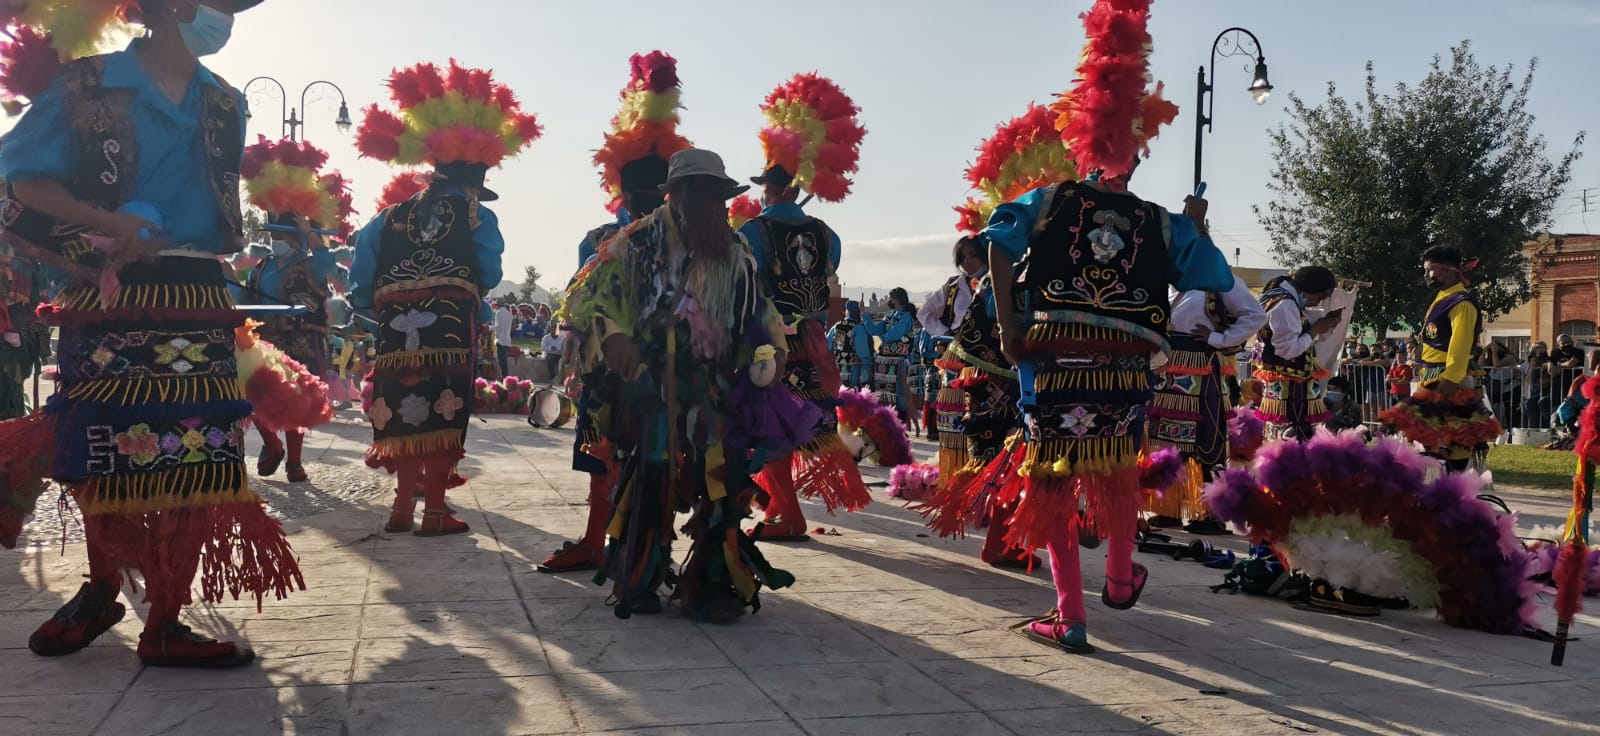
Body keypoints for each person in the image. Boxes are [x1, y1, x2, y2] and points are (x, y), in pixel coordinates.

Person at [0, 0, 299, 668]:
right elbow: (21, 177)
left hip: (197, 293)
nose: (223, 18)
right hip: (109, 292)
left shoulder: (226, 101)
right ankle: (104, 585)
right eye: (219, 4)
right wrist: (99, 219)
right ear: (171, 5)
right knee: (98, 448)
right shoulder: (86, 82)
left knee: (199, 456)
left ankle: (164, 615)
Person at [974, 0, 1228, 653]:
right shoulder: (1160, 221)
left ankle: (1071, 615)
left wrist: (1008, 324)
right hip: (1125, 368)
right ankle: (1118, 579)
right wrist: (1194, 221)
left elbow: (997, 242)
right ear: (1137, 157)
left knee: (1052, 478)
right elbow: (1212, 277)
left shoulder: (1049, 201)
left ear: (1082, 144)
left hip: (1049, 363)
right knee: (1115, 466)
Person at [563, 148, 792, 622]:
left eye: (721, 198)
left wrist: (771, 346)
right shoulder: (633, 243)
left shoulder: (736, 252)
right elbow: (589, 298)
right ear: (677, 195)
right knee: (652, 471)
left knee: (721, 477)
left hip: (710, 382)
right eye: (706, 196)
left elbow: (758, 310)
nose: (716, 208)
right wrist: (616, 335)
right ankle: (640, 574)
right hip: (650, 381)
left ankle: (710, 582)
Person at [351, 59, 533, 535]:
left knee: (402, 414)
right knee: (446, 408)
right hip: (451, 331)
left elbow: (360, 280)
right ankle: (434, 511)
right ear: (475, 179)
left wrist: (384, 313)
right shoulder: (478, 218)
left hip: (395, 336)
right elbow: (489, 273)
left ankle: (399, 510)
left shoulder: (387, 218)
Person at [541, 51, 692, 574]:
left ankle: (606, 543)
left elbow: (577, 313)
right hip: (665, 369)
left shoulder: (599, 238)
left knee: (612, 453)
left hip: (619, 370)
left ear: (619, 189)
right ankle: (647, 550)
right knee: (657, 456)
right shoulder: (685, 238)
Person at [739, 76, 869, 540]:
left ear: (767, 190)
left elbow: (745, 291)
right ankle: (778, 507)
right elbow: (829, 279)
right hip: (813, 348)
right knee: (799, 427)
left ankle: (785, 514)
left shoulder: (752, 232)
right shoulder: (827, 234)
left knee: (766, 427)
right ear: (795, 189)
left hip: (767, 347)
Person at [236, 136, 348, 484]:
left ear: (297, 238)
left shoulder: (310, 263)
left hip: (299, 341)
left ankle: (294, 462)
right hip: (262, 341)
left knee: (296, 401)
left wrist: (310, 233)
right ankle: (272, 444)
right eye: (275, 233)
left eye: (284, 235)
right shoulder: (262, 265)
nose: (277, 240)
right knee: (250, 395)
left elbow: (328, 262)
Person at [1145, 275, 1266, 533]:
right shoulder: (1173, 282)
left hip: (1202, 370)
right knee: (1169, 441)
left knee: (1207, 440)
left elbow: (1255, 316)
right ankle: (1170, 509)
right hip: (1170, 371)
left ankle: (1210, 513)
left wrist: (1217, 339)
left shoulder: (1222, 280)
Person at [1379, 245, 1501, 472]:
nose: (1426, 275)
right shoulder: (1442, 298)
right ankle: (1439, 493)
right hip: (1432, 374)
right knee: (1431, 440)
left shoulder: (1461, 303)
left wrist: (1448, 382)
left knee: (1454, 440)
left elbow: (1460, 346)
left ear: (1448, 270)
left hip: (1449, 379)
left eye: (1430, 270)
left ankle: (1453, 491)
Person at [919, 236, 985, 475]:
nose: (967, 262)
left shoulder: (1000, 279)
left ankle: (981, 471)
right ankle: (954, 472)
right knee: (954, 413)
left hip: (990, 357)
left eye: (973, 255)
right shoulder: (953, 286)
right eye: (963, 257)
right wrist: (944, 333)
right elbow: (924, 313)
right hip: (957, 354)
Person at [1252, 267, 1342, 440]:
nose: (1317, 303)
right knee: (1290, 441)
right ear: (1310, 288)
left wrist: (1325, 325)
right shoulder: (1285, 304)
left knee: (1283, 441)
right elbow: (1288, 350)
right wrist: (1315, 329)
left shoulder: (1282, 299)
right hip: (1290, 392)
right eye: (1320, 297)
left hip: (1286, 387)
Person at [866, 287, 917, 422]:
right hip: (885, 361)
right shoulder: (888, 316)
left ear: (897, 300)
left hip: (899, 360)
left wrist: (884, 337)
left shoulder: (906, 316)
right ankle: (888, 422)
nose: (889, 300)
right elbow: (874, 330)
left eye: (891, 298)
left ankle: (900, 423)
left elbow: (893, 335)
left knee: (898, 392)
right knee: (885, 393)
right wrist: (864, 315)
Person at [828, 300, 873, 388]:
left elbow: (829, 347)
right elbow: (863, 353)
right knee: (852, 397)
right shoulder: (858, 328)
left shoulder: (837, 326)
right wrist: (867, 370)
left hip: (837, 369)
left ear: (846, 311)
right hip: (853, 371)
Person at [494, 300, 514, 378]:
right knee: (504, 363)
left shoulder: (499, 313)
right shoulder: (509, 314)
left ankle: (504, 379)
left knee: (502, 363)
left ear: (497, 305)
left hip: (501, 341)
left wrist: (488, 328)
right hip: (507, 341)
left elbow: (498, 327)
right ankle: (505, 379)